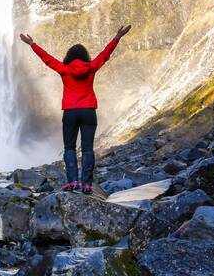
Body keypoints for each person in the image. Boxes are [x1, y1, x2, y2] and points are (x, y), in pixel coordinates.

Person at [19, 25, 132, 194]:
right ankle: (86, 184)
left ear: (69, 57)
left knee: (69, 148)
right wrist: (117, 36)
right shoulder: (91, 67)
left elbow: (47, 59)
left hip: (71, 112)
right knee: (87, 149)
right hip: (88, 112)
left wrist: (32, 44)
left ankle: (73, 182)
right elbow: (105, 54)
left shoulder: (64, 69)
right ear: (85, 57)